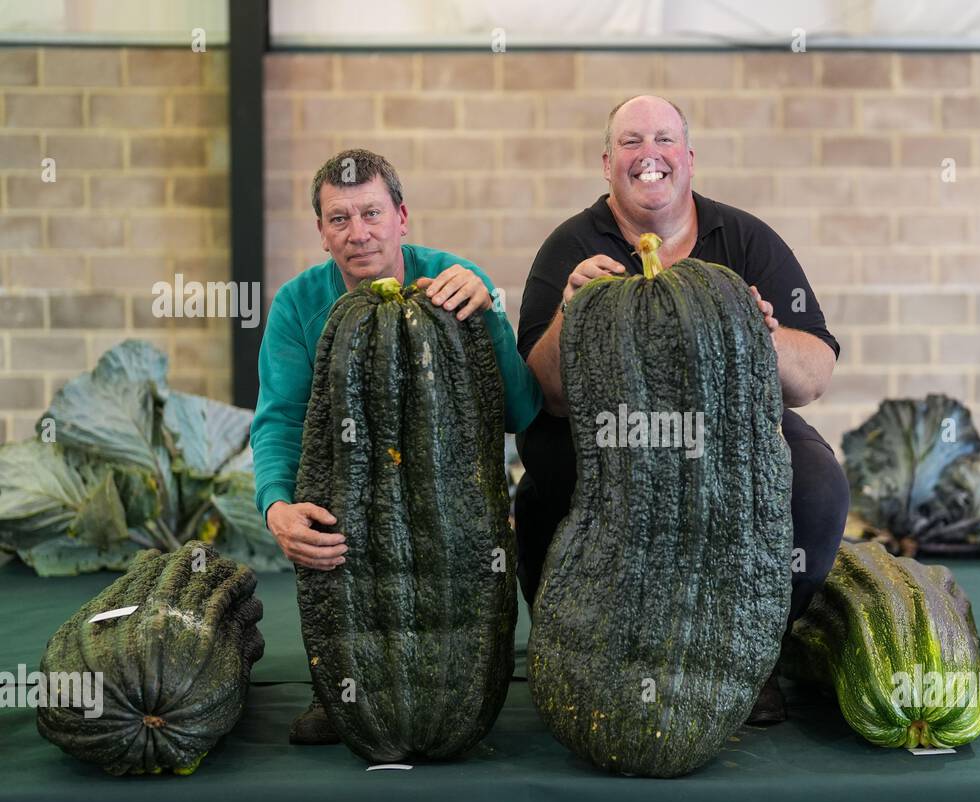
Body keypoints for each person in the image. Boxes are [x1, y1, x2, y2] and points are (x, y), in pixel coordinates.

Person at [514, 95, 849, 724]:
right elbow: (546, 393)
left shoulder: (744, 237)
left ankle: (752, 654)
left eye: (664, 140)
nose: (650, 156)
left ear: (688, 159)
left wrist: (754, 334)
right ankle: (579, 652)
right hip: (612, 437)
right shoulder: (571, 245)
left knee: (816, 487)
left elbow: (814, 377)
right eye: (632, 142)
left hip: (731, 431)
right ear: (607, 162)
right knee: (542, 489)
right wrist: (569, 309)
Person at [250, 148, 542, 744]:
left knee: (454, 591)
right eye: (339, 218)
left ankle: (455, 700)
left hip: (451, 490)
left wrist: (488, 313)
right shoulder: (298, 305)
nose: (358, 233)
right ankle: (344, 694)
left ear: (401, 216)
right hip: (349, 490)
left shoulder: (454, 282)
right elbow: (279, 419)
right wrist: (276, 504)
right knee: (338, 566)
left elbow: (522, 409)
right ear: (322, 232)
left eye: (371, 213)